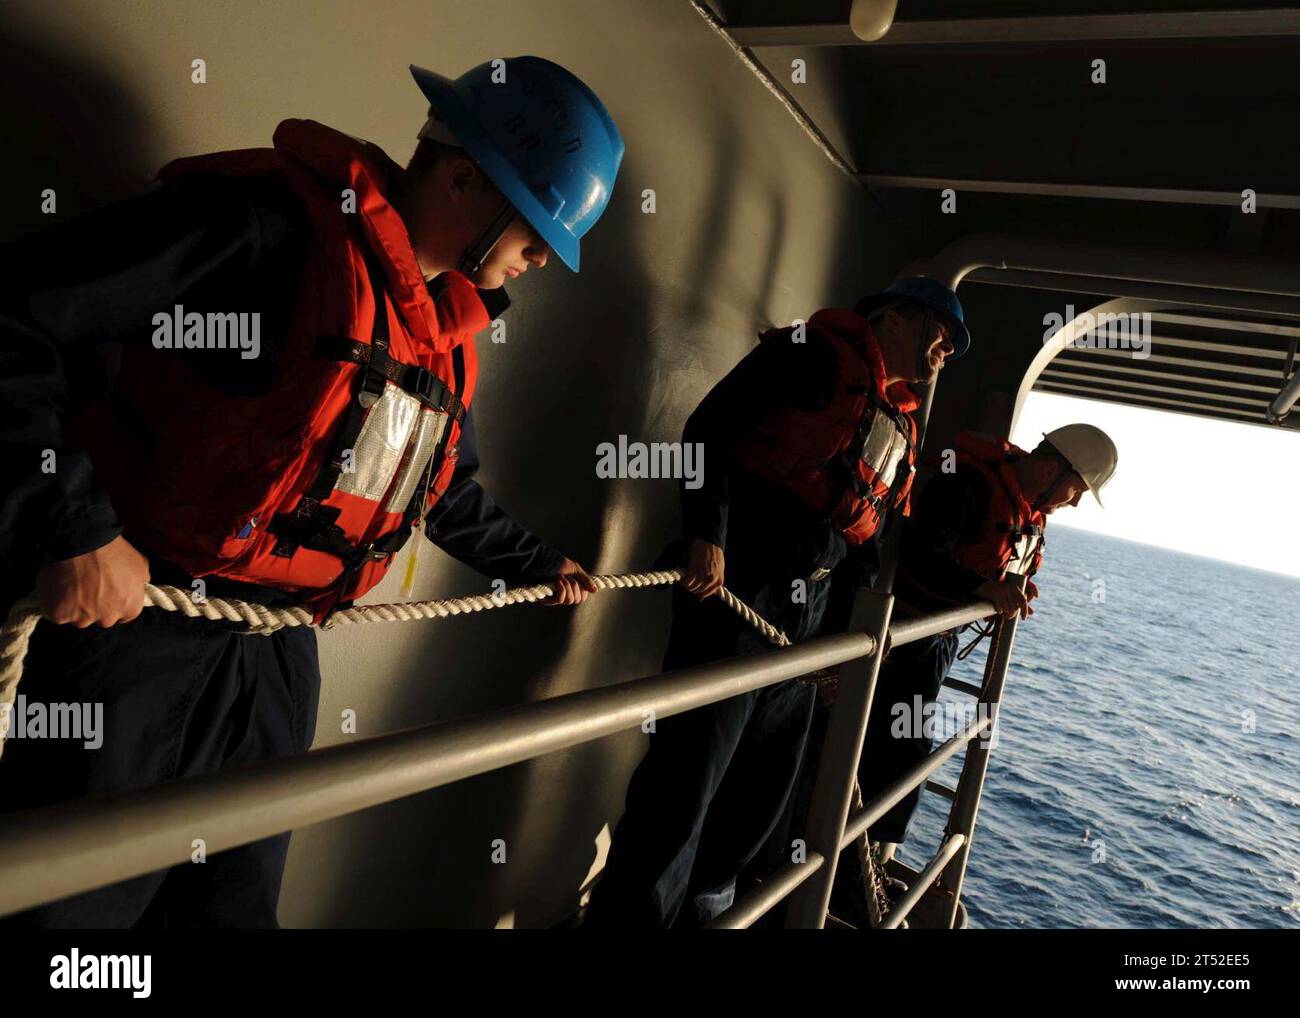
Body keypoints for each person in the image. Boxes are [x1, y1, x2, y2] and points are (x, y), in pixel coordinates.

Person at [0, 56, 623, 928]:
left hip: (277, 656)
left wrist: (542, 563)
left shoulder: (437, 342)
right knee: (72, 926)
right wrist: (70, 529)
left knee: (231, 912)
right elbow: (15, 316)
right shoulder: (269, 229)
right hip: (137, 630)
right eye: (534, 235)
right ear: (464, 179)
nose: (539, 263)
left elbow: (434, 491)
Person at [585, 278, 971, 927]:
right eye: (942, 333)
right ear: (896, 316)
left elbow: (865, 546)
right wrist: (708, 531)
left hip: (810, 615)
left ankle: (710, 914)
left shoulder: (894, 422)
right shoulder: (809, 354)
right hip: (742, 587)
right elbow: (709, 429)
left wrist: (840, 647)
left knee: (761, 794)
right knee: (686, 782)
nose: (946, 352)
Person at [841, 422, 1119, 921]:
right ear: (1056, 469)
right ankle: (846, 874)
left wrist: (1006, 588)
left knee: (903, 758)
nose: (1074, 503)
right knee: (885, 756)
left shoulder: (1027, 512)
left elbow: (997, 567)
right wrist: (980, 590)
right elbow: (918, 557)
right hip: (900, 640)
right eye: (1077, 490)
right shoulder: (966, 484)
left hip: (934, 647)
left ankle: (869, 864)